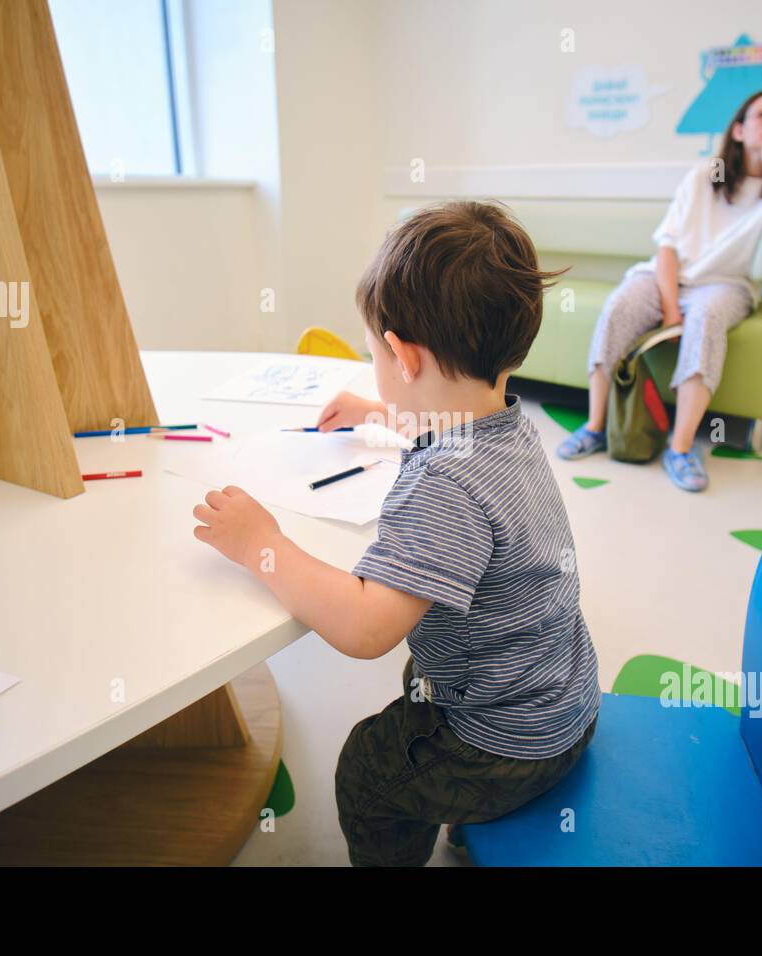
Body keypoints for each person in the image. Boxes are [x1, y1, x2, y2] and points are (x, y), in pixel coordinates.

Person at [191, 201, 601, 866]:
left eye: (371, 352)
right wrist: (379, 413)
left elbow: (364, 628)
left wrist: (259, 544)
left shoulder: (442, 488)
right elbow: (447, 421)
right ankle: (472, 809)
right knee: (423, 671)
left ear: (402, 356)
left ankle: (468, 804)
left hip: (510, 744)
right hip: (565, 694)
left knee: (365, 770)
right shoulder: (507, 425)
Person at [557, 88, 762, 492]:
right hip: (667, 275)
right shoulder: (706, 176)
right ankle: (594, 426)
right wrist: (669, 305)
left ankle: (679, 449)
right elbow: (668, 246)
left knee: (708, 317)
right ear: (738, 128)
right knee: (619, 306)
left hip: (726, 286)